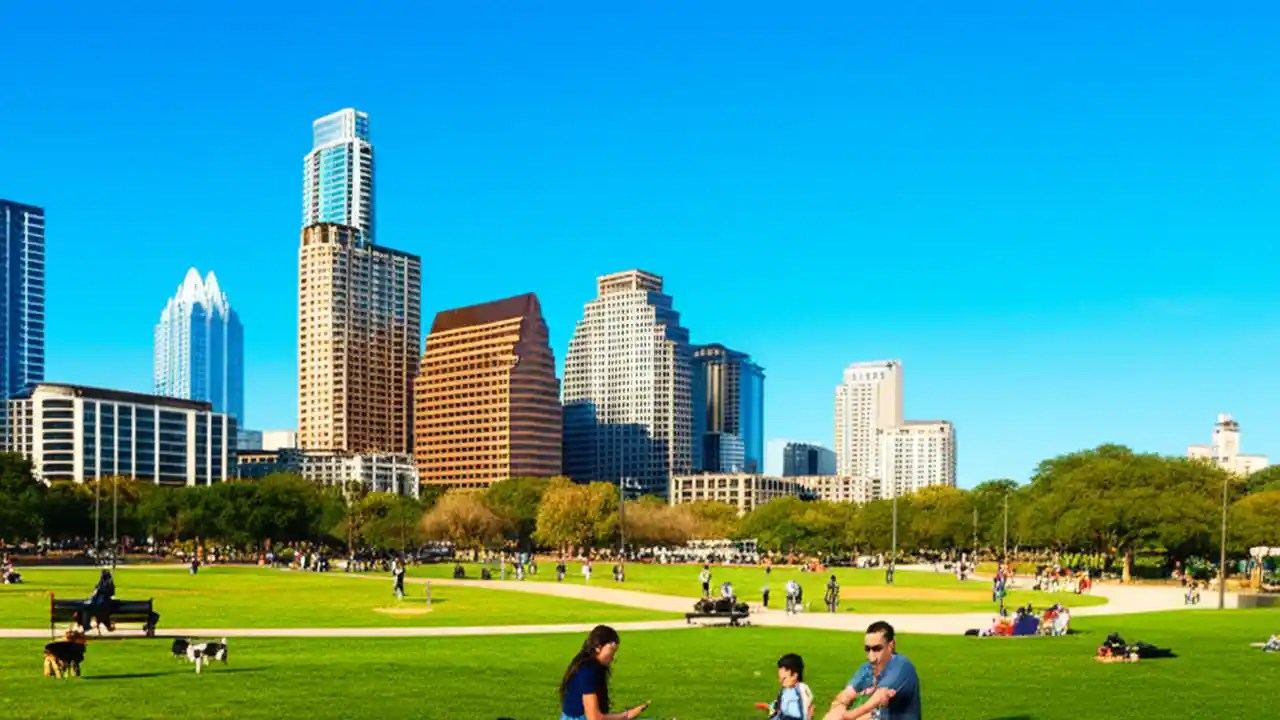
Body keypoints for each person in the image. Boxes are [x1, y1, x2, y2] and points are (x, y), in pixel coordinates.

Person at [825, 621, 921, 720]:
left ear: (890, 646)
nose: (871, 657)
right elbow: (847, 693)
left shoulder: (902, 666)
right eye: (867, 649)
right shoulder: (867, 668)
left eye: (877, 649)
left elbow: (878, 698)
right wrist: (840, 706)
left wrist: (849, 715)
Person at [558, 625, 650, 720]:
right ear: (598, 647)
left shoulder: (590, 667)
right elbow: (594, 718)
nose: (613, 657)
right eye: (612, 651)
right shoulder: (588, 671)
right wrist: (626, 715)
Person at [765, 653, 814, 720]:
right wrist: (770, 707)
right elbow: (778, 704)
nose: (780, 681)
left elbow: (803, 714)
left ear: (794, 676)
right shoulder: (786, 689)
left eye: (784, 678)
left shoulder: (800, 691)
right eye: (779, 678)